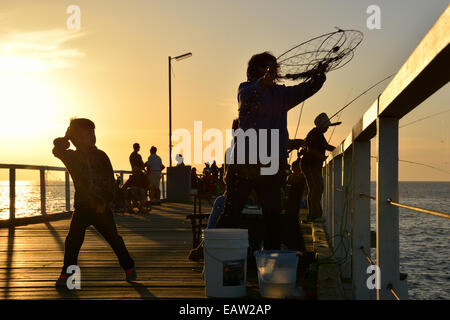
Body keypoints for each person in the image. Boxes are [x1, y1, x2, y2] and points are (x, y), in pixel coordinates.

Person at [215, 51, 326, 250]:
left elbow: (306, 89)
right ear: (255, 70)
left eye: (274, 68)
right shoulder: (246, 88)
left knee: (273, 216)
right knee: (232, 212)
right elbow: (249, 96)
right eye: (268, 67)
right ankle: (213, 254)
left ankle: (272, 262)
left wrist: (319, 76)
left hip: (271, 164)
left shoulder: (281, 93)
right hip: (245, 163)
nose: (273, 71)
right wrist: (262, 84)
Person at [52, 118, 136, 286]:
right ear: (76, 137)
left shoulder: (101, 156)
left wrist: (104, 201)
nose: (91, 136)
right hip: (82, 207)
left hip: (100, 207)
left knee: (113, 238)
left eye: (93, 133)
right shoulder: (71, 157)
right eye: (86, 133)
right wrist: (67, 136)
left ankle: (128, 266)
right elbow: (57, 150)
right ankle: (67, 275)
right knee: (73, 241)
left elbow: (109, 181)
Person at [301, 112, 341, 222]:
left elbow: (326, 146)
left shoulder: (318, 134)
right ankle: (316, 215)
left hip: (313, 164)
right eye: (327, 126)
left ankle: (313, 215)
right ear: (322, 126)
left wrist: (338, 149)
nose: (328, 128)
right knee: (316, 188)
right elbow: (309, 149)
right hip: (310, 164)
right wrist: (322, 157)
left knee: (315, 188)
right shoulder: (315, 134)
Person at [284, 157, 307, 251]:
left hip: (292, 206)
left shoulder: (292, 177)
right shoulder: (302, 178)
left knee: (292, 224)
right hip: (294, 206)